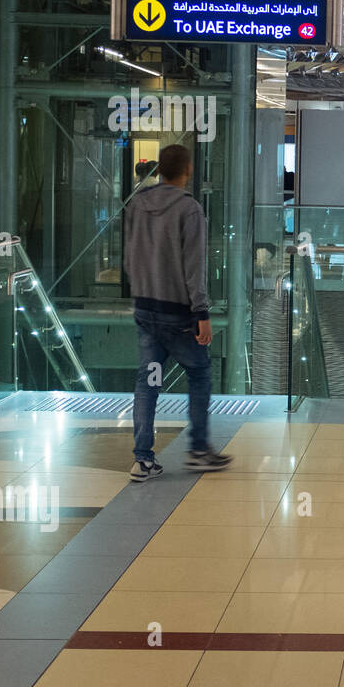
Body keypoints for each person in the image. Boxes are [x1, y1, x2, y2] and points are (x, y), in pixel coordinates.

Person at [124, 144, 232, 482]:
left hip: (146, 310)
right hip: (179, 316)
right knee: (198, 374)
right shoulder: (189, 209)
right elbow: (193, 265)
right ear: (187, 170)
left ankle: (143, 458)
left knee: (150, 380)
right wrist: (201, 312)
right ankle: (199, 449)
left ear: (159, 170)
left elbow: (129, 259)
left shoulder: (137, 205)